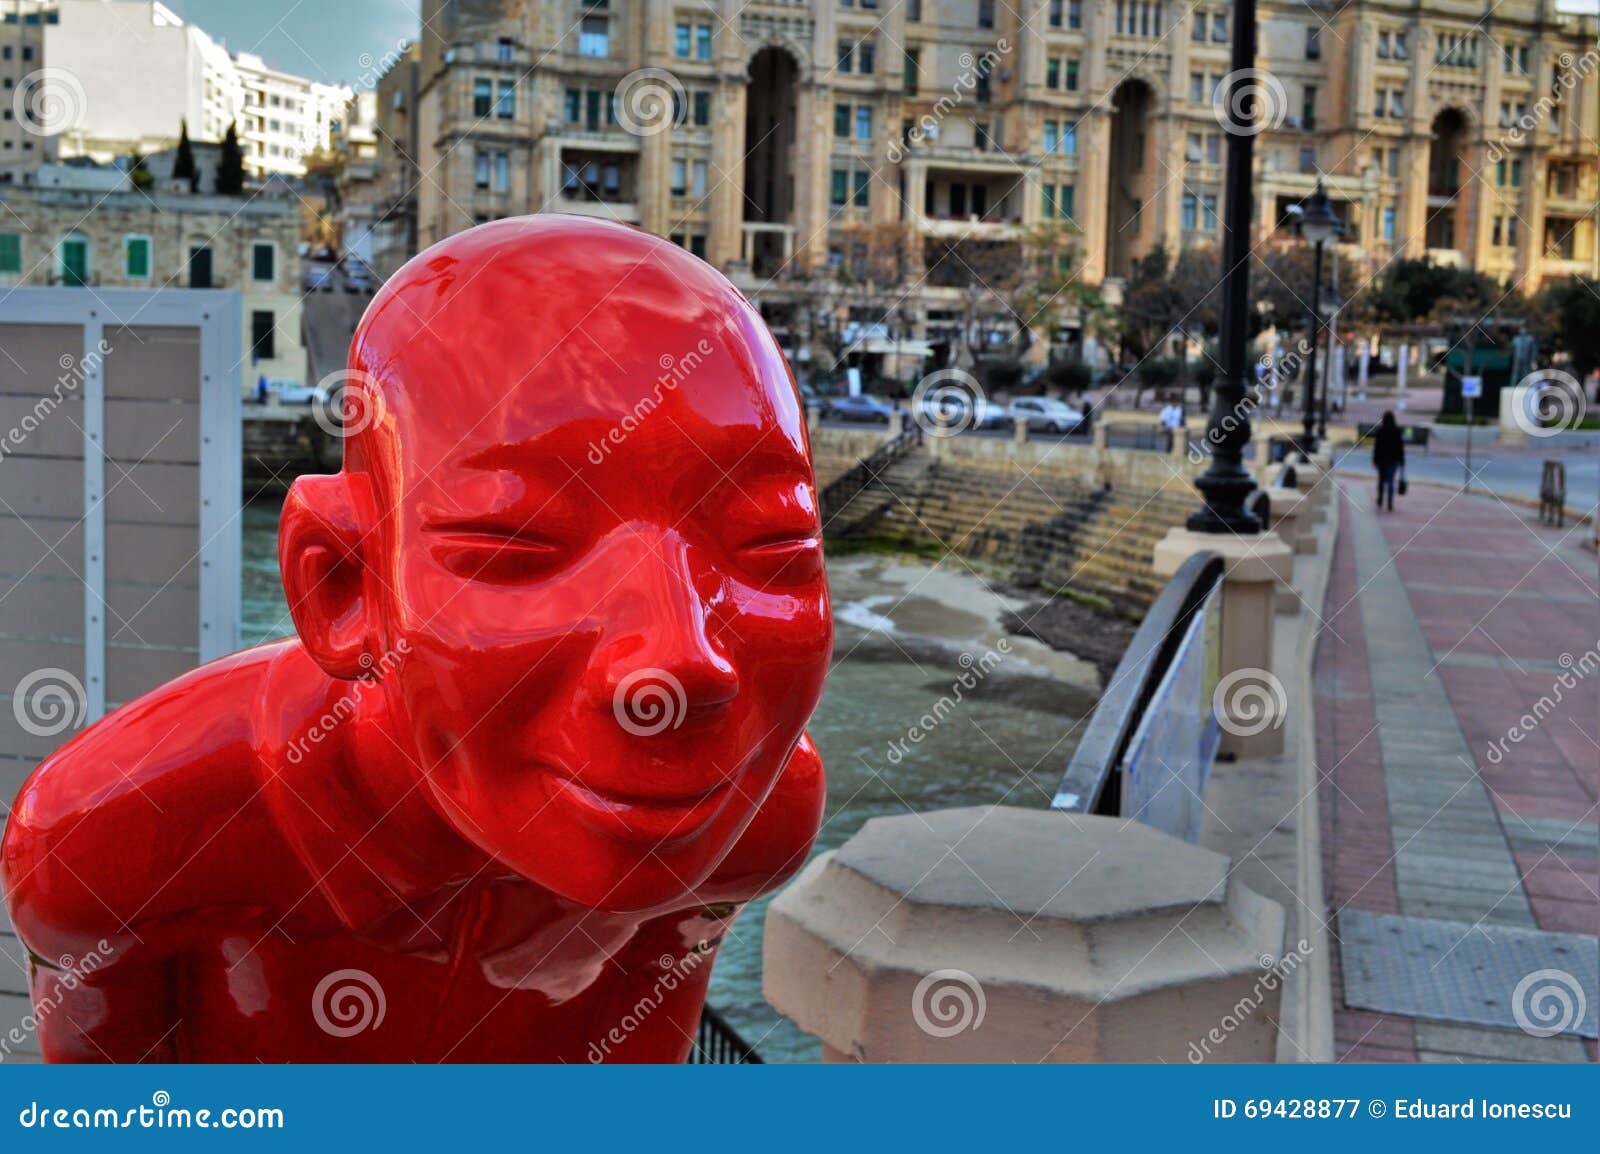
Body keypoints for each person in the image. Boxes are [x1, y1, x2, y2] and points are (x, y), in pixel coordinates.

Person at [1, 216, 831, 1062]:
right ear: (342, 588)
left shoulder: (757, 814)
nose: (686, 658)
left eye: (775, 547)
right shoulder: (118, 833)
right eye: (514, 549)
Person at [1372, 409, 1405, 511]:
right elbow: (1400, 448)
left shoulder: (1380, 431)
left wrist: (1375, 459)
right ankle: (1390, 503)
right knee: (1391, 481)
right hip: (1393, 460)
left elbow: (1376, 447)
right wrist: (1402, 461)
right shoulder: (1397, 432)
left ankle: (1380, 499)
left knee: (1381, 480)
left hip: (1382, 460)